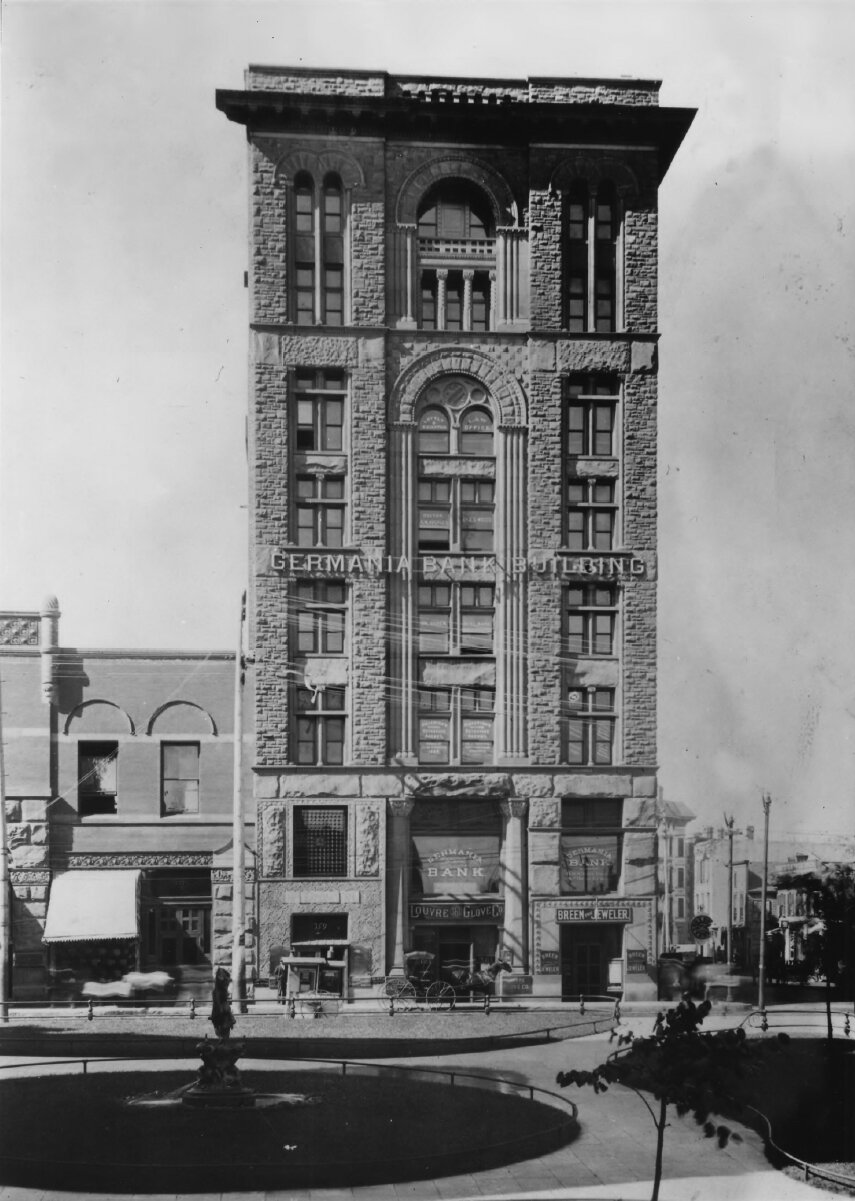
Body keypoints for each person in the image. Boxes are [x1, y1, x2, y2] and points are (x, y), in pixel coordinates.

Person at [210, 966, 236, 1039]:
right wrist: (229, 1019)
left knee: (223, 1039)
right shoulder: (218, 992)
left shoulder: (220, 991)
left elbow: (224, 1007)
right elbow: (220, 1008)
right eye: (226, 982)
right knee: (223, 1039)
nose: (228, 984)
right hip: (221, 1019)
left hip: (222, 1018)